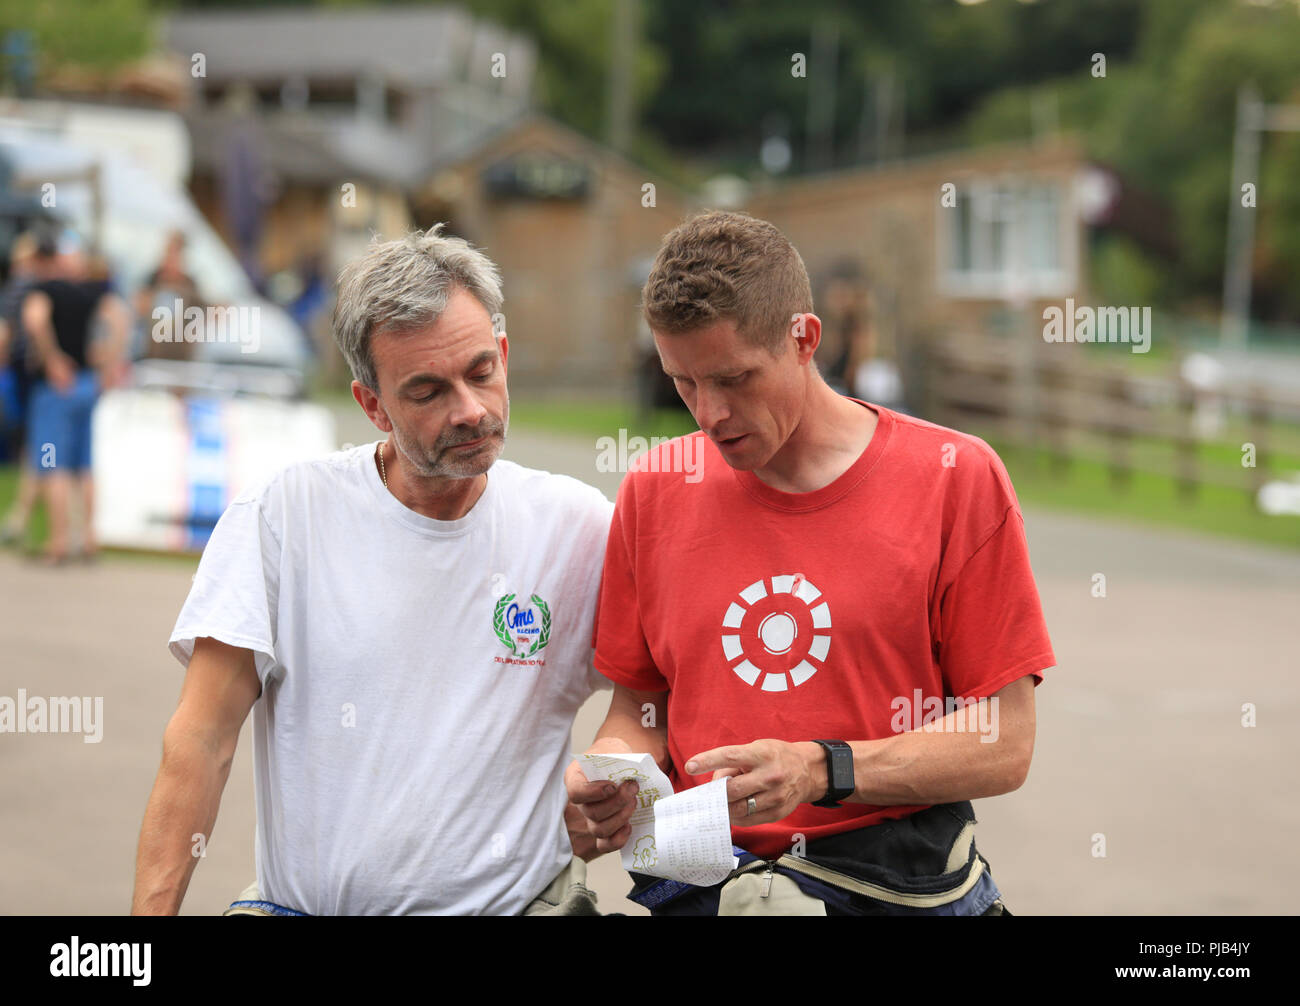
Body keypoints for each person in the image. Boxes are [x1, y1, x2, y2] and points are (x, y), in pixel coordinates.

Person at [566, 210, 1056, 916]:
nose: (708, 413)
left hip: (893, 884)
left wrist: (823, 769)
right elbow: (642, 708)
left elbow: (1005, 741)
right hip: (705, 883)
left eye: (735, 379)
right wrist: (609, 774)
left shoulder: (955, 476)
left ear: (805, 339)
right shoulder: (654, 487)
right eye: (683, 382)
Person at [131, 225, 613, 915]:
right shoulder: (284, 516)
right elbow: (202, 739)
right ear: (372, 406)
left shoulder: (576, 525)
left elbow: (661, 684)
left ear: (503, 354)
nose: (471, 410)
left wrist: (613, 766)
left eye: (481, 372)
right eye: (427, 391)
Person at [19, 231, 129, 563]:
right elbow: (120, 318)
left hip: (57, 388)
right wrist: (110, 361)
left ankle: (59, 542)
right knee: (84, 466)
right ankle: (90, 538)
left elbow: (35, 321)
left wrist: (52, 359)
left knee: (54, 466)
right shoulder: (92, 291)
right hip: (86, 385)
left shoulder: (45, 288)